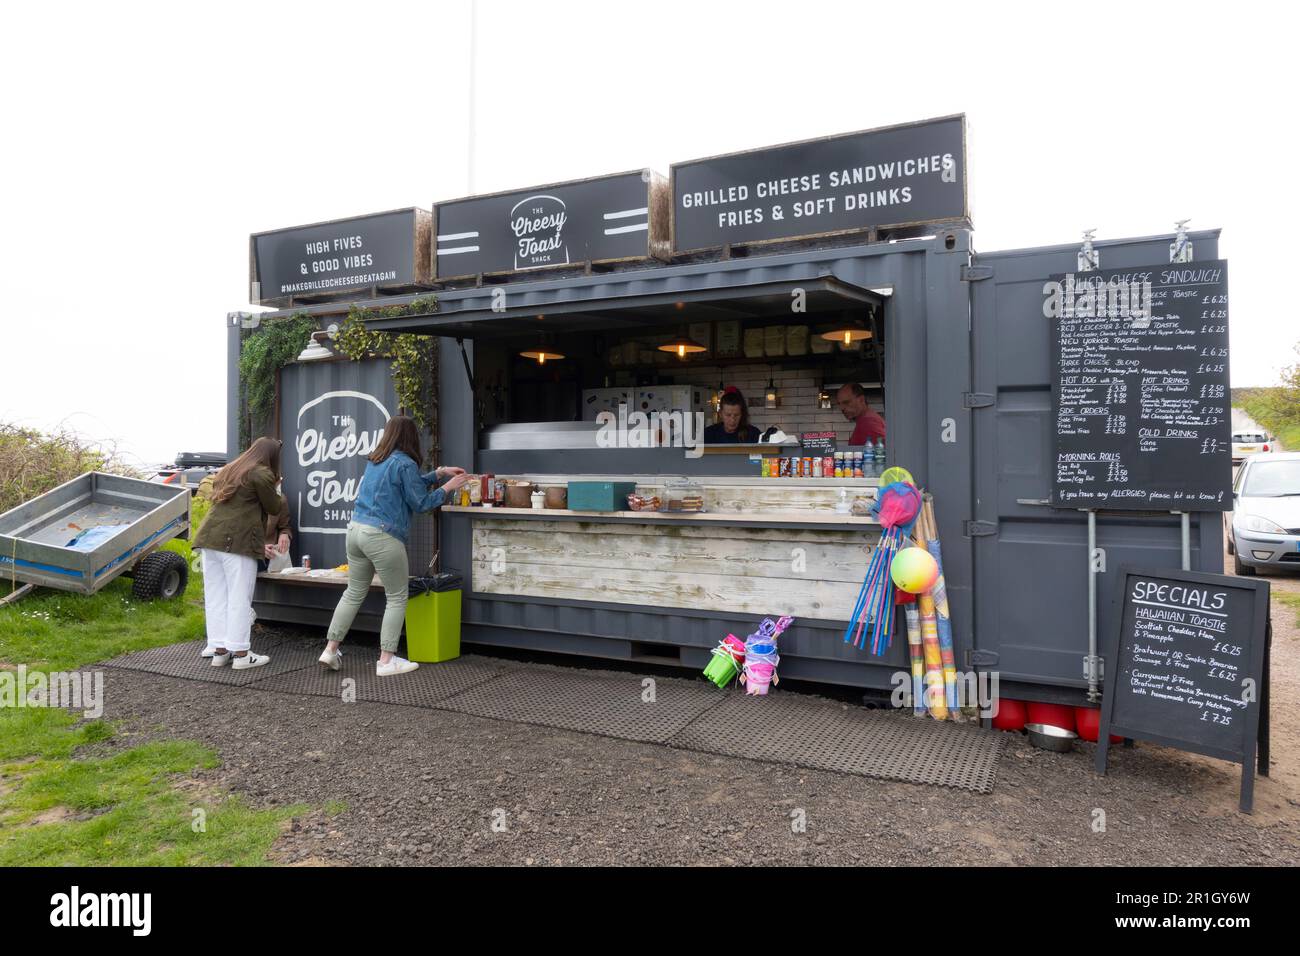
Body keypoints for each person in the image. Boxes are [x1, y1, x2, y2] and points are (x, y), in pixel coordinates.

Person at [319, 416, 471, 677]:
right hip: (382, 535)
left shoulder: (376, 460)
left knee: (354, 592)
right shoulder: (405, 463)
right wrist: (447, 487)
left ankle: (330, 650)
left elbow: (406, 486)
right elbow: (421, 503)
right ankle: (386, 660)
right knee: (397, 597)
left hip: (355, 531)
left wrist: (437, 474)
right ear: (411, 437)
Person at [192, 437, 284, 670]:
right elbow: (274, 507)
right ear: (271, 457)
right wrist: (276, 485)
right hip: (237, 541)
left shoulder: (229, 470)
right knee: (239, 596)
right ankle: (242, 654)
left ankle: (220, 651)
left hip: (209, 538)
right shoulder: (261, 474)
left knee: (216, 597)